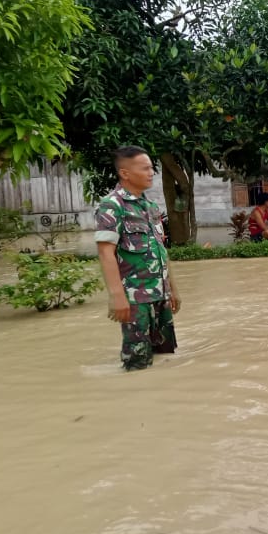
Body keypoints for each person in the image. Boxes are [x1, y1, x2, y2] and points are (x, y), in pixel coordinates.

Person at [94, 146, 181, 370]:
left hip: (160, 296)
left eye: (152, 167)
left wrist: (173, 289)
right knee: (137, 363)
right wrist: (116, 297)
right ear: (125, 173)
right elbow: (106, 253)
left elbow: (161, 249)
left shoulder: (150, 207)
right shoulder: (112, 206)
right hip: (135, 300)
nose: (151, 172)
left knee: (165, 357)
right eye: (145, 168)